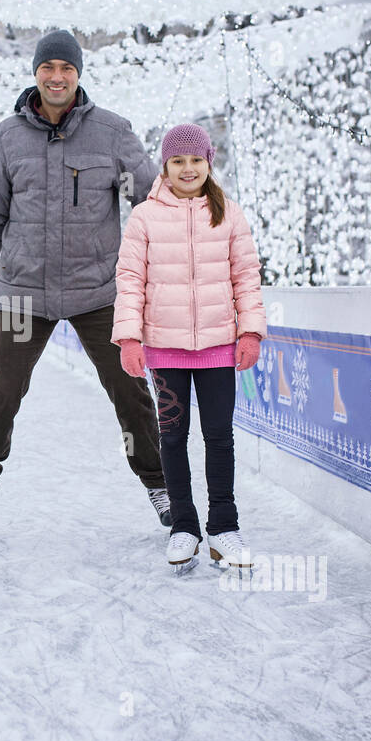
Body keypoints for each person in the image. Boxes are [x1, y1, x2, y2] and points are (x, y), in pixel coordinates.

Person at [0, 28, 171, 528]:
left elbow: (153, 201)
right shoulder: (6, 138)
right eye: (48, 68)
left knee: (129, 391)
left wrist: (167, 266)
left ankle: (162, 486)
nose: (57, 77)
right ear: (36, 73)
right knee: (3, 393)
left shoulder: (113, 132)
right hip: (24, 293)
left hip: (98, 291)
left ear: (78, 74)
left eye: (67, 69)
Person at [112, 122, 267, 569]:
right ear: (165, 164)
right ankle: (184, 526)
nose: (187, 168)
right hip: (165, 348)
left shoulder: (228, 213)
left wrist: (251, 331)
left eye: (196, 160)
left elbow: (246, 276)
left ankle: (224, 527)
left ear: (209, 162)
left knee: (219, 437)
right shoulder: (145, 216)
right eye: (178, 161)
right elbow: (130, 281)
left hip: (219, 343)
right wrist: (129, 338)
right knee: (173, 436)